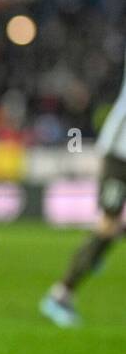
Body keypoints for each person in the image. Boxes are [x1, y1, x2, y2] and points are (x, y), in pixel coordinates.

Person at [40, 62, 126, 326]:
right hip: (119, 157)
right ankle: (60, 294)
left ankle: (98, 249)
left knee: (109, 229)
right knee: (107, 225)